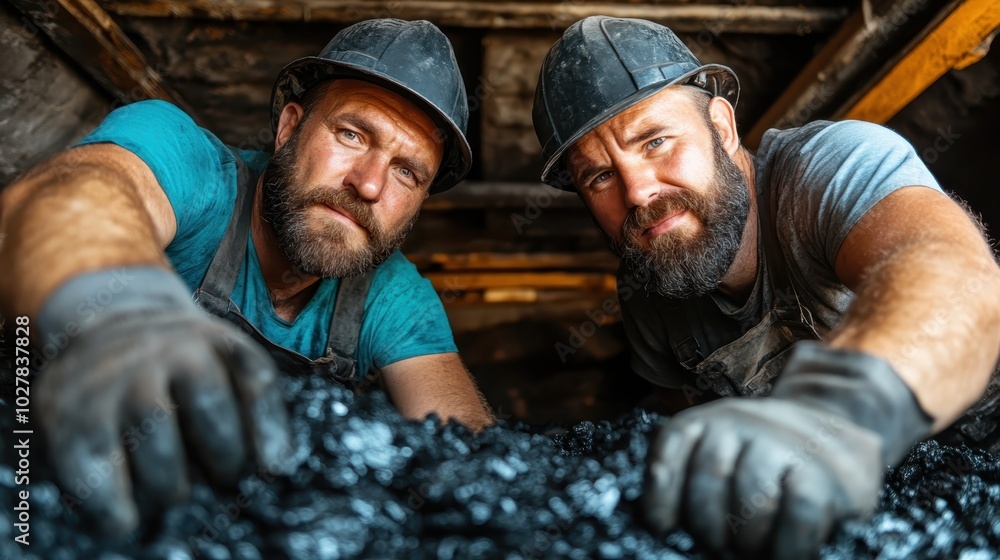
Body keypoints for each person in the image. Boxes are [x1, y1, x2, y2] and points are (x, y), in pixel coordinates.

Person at [0, 18, 494, 535]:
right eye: (352, 134)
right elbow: (62, 199)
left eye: (406, 171)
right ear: (289, 127)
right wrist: (122, 316)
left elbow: (472, 450)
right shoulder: (192, 165)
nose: (369, 184)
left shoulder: (394, 295)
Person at [532, 15, 1000, 560]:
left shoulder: (829, 166)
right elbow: (695, 432)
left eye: (656, 141)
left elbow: (954, 280)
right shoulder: (647, 295)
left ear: (722, 127)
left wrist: (835, 411)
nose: (637, 192)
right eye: (600, 176)